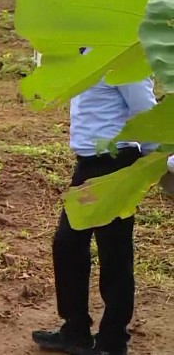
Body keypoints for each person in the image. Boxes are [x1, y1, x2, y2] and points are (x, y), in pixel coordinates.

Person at [32, 77, 157, 355]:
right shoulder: (84, 55)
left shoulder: (120, 56)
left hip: (115, 164)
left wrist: (153, 162)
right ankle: (75, 330)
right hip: (88, 165)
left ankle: (113, 341)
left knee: (114, 252)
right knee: (67, 245)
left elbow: (145, 108)